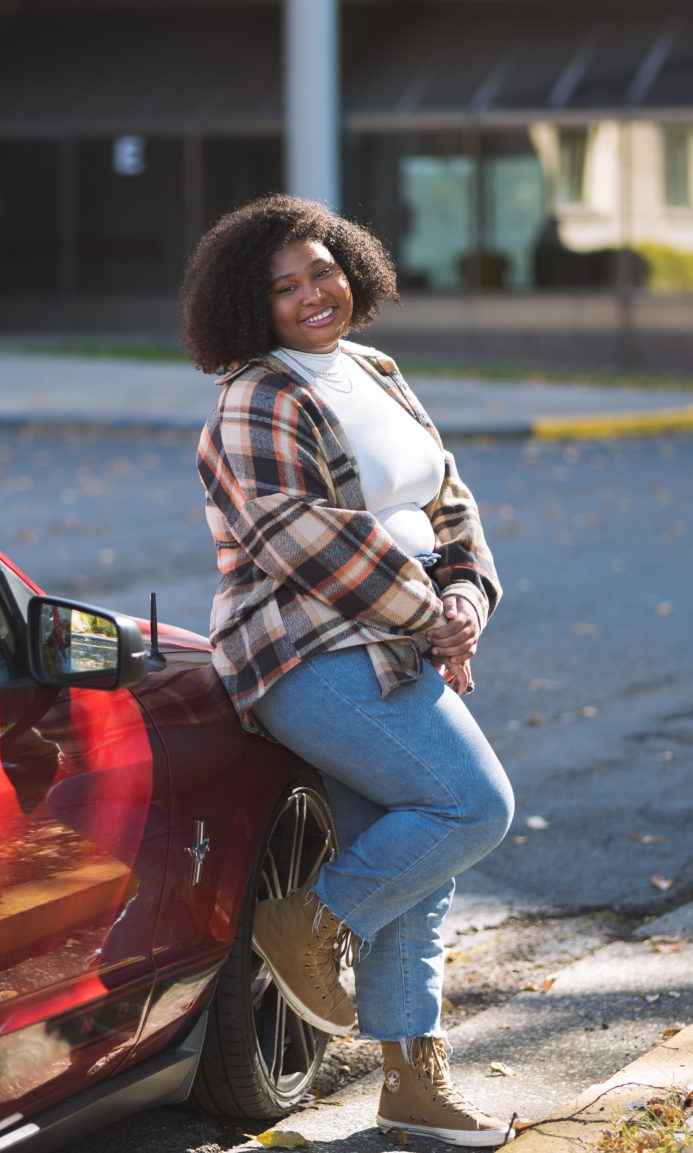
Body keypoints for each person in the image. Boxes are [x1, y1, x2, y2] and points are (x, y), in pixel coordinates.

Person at [184, 194, 517, 1148]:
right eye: (284, 287)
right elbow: (298, 537)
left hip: (398, 639)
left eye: (323, 271)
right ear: (251, 306)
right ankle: (309, 922)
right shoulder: (256, 397)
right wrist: (427, 611)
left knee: (413, 862)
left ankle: (411, 1079)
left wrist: (466, 596)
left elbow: (448, 499)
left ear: (354, 269)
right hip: (308, 651)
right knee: (471, 805)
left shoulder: (375, 370)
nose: (312, 294)